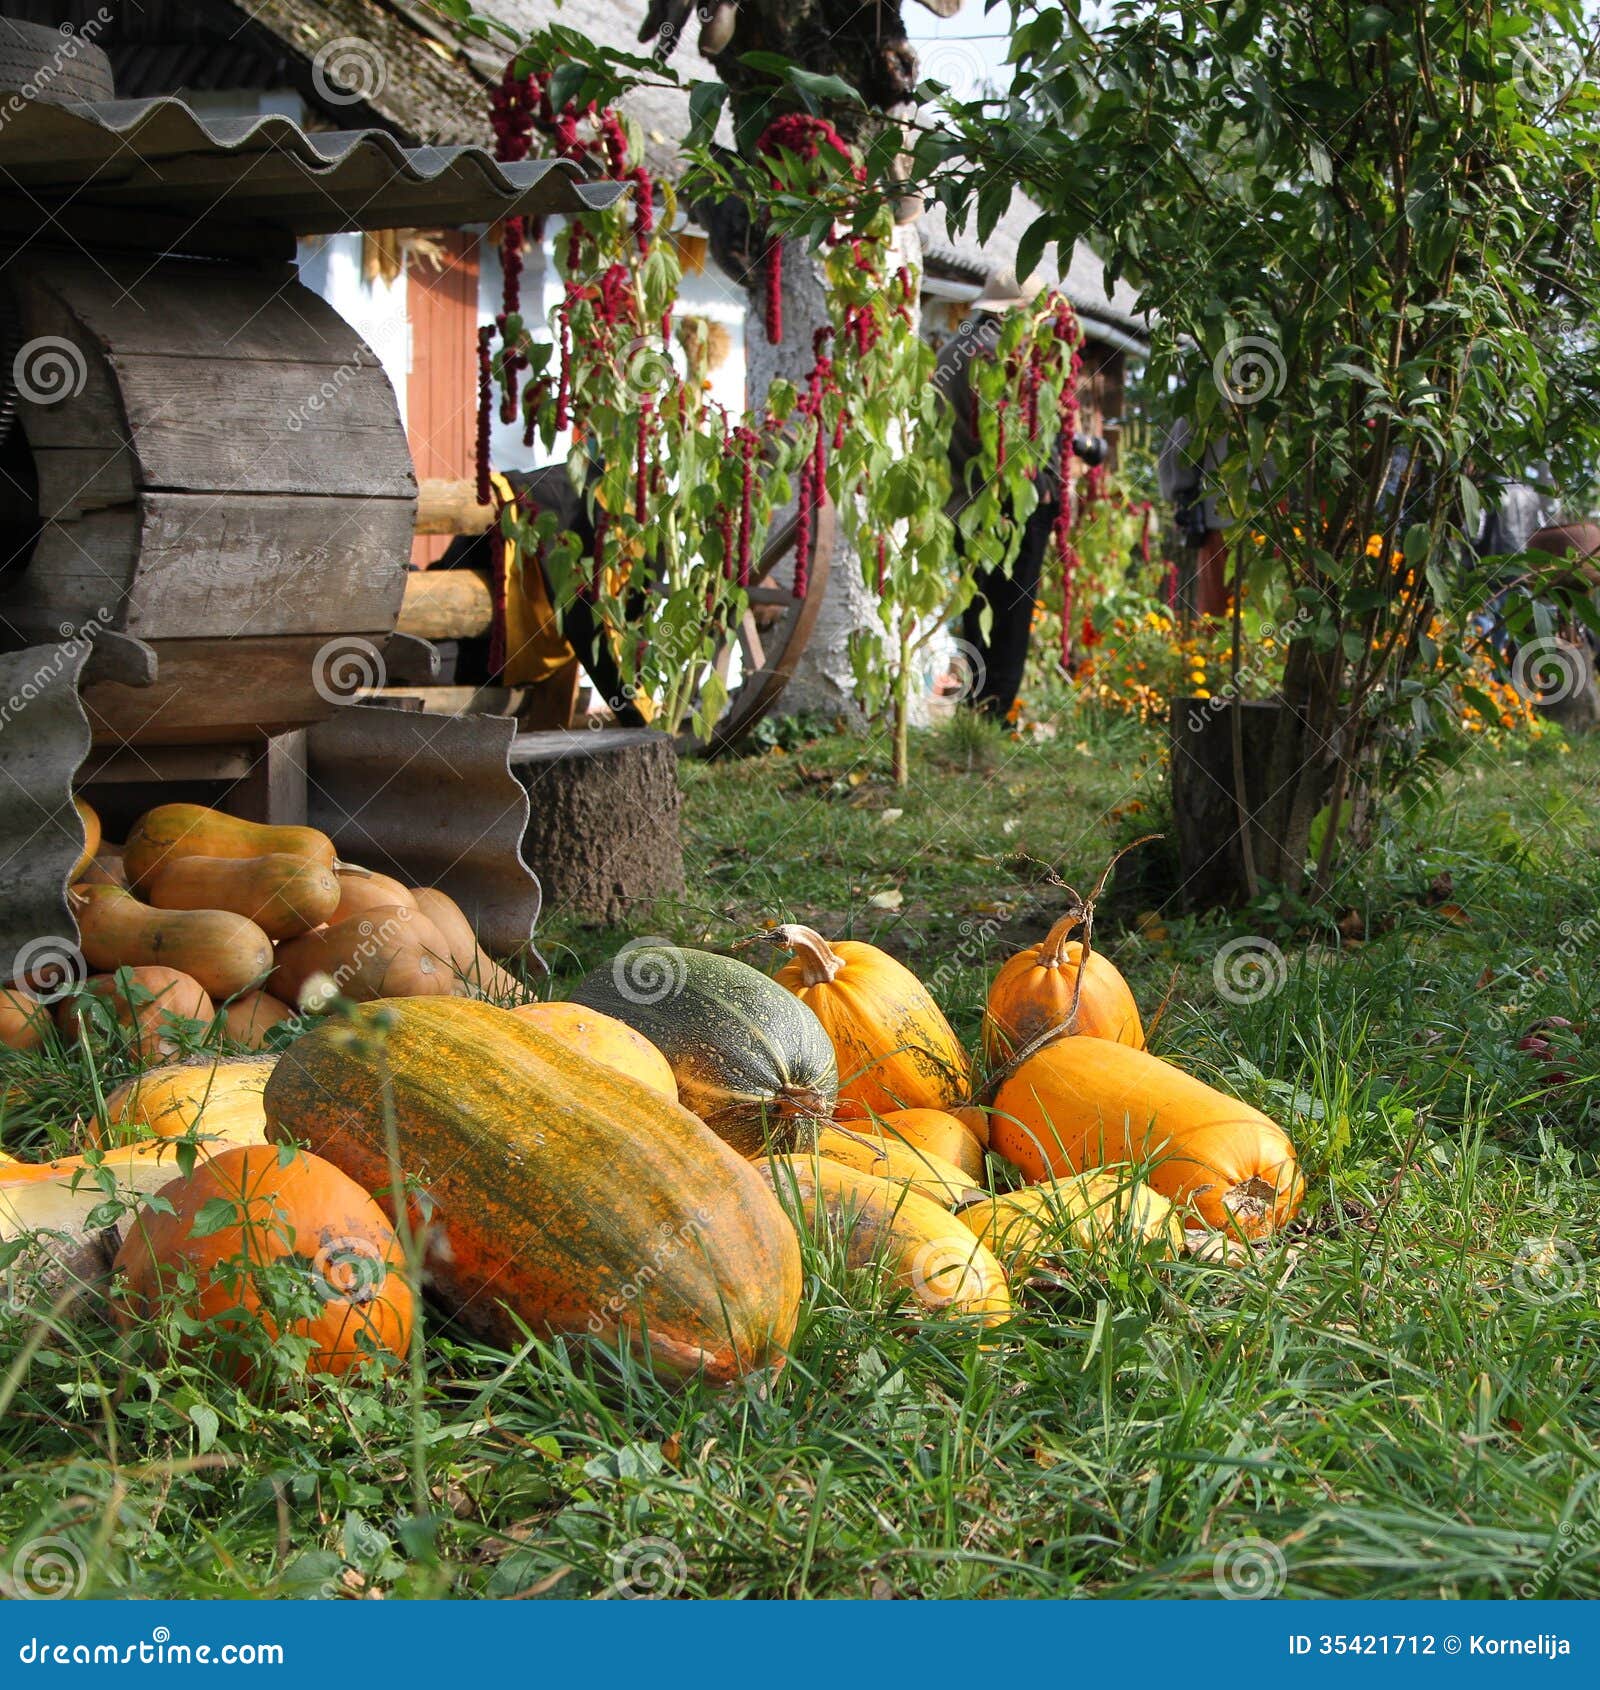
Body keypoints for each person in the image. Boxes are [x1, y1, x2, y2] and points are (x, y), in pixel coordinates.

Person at [936, 267, 1105, 718]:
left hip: (963, 504)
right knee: (1012, 616)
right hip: (1014, 507)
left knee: (978, 610)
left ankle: (975, 710)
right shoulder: (1008, 359)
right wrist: (1052, 484)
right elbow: (1032, 436)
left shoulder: (951, 352)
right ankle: (994, 715)